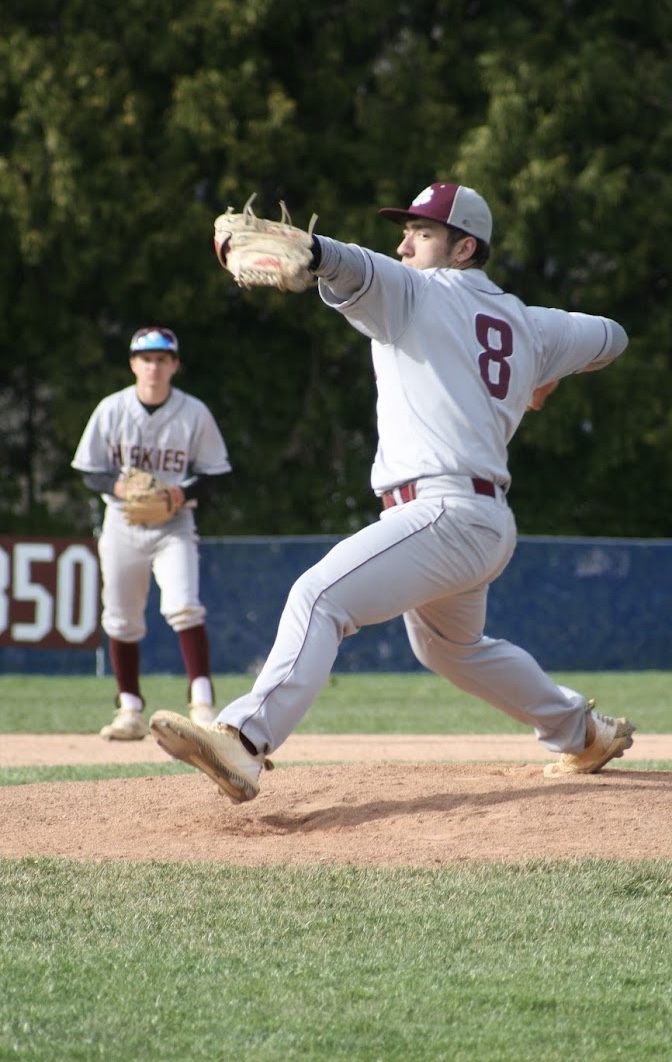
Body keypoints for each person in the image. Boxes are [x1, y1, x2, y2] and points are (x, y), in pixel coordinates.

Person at [150, 182, 634, 801]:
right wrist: (548, 370)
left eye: (423, 233)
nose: (404, 244)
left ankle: (243, 742)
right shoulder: (528, 323)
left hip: (443, 514)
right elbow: (611, 335)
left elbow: (346, 260)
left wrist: (315, 249)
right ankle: (583, 731)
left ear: (464, 249)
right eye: (404, 230)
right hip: (483, 522)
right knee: (450, 648)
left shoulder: (412, 292)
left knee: (319, 596)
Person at [72, 326, 232, 740]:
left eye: (162, 359)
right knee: (121, 619)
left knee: (184, 606)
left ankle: (202, 704)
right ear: (133, 364)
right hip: (123, 522)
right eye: (146, 358)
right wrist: (118, 486)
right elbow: (90, 471)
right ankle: (129, 710)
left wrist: (182, 491)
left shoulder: (194, 412)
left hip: (173, 523)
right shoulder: (112, 409)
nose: (154, 366)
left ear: (174, 364)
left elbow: (213, 473)